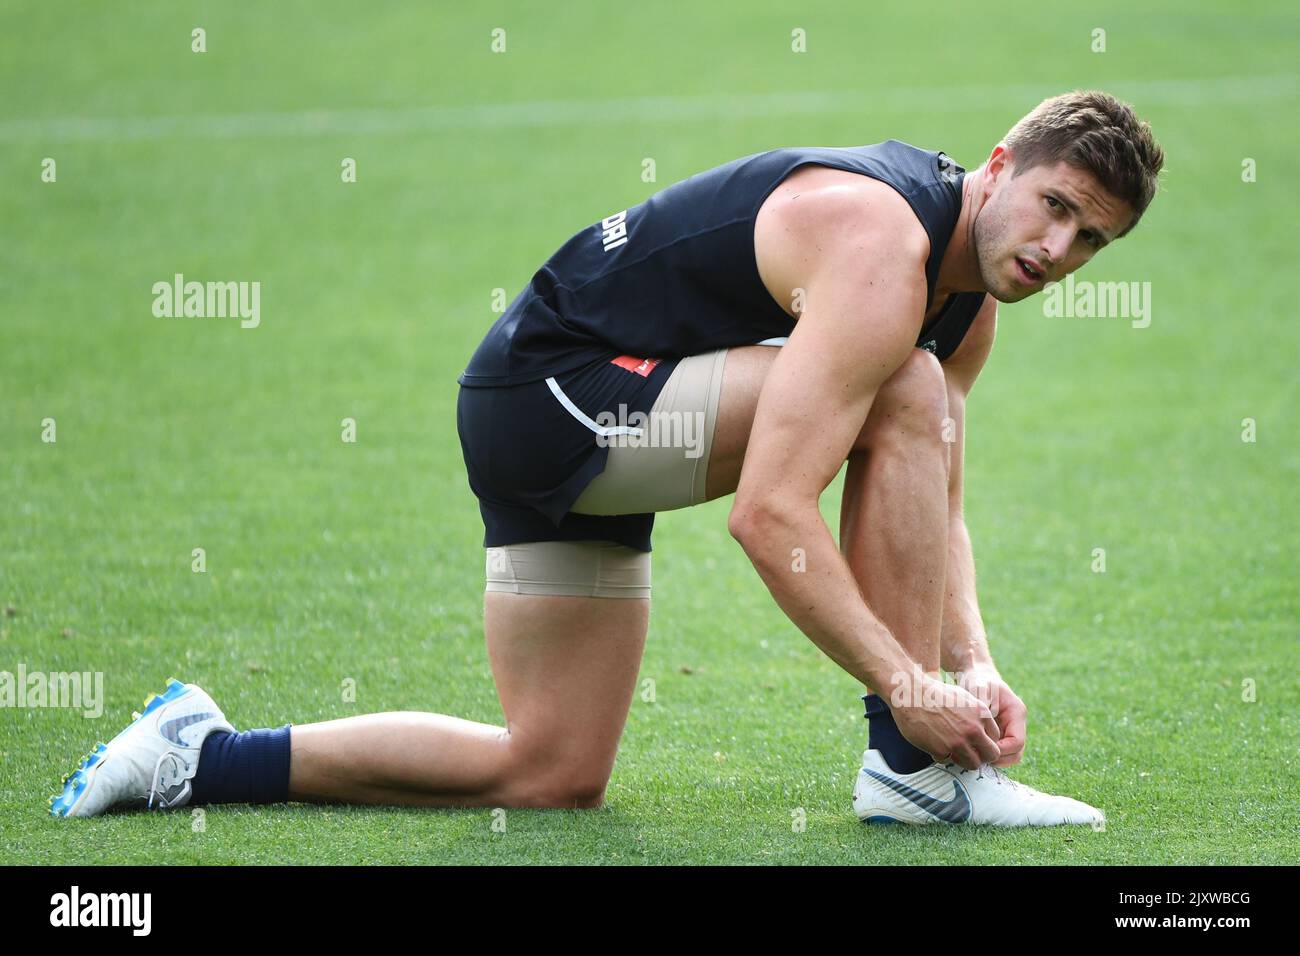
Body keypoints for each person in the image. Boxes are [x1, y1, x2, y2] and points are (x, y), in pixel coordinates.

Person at [51, 90, 1162, 826]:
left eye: (1091, 238)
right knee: (902, 387)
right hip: (560, 402)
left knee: (550, 770)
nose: (1058, 249)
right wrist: (906, 690)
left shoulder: (968, 305)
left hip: (571, 415)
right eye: (1055, 206)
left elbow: (939, 489)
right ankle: (913, 774)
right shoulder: (886, 248)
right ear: (1001, 163)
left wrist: (972, 663)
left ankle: (202, 751)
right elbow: (771, 513)